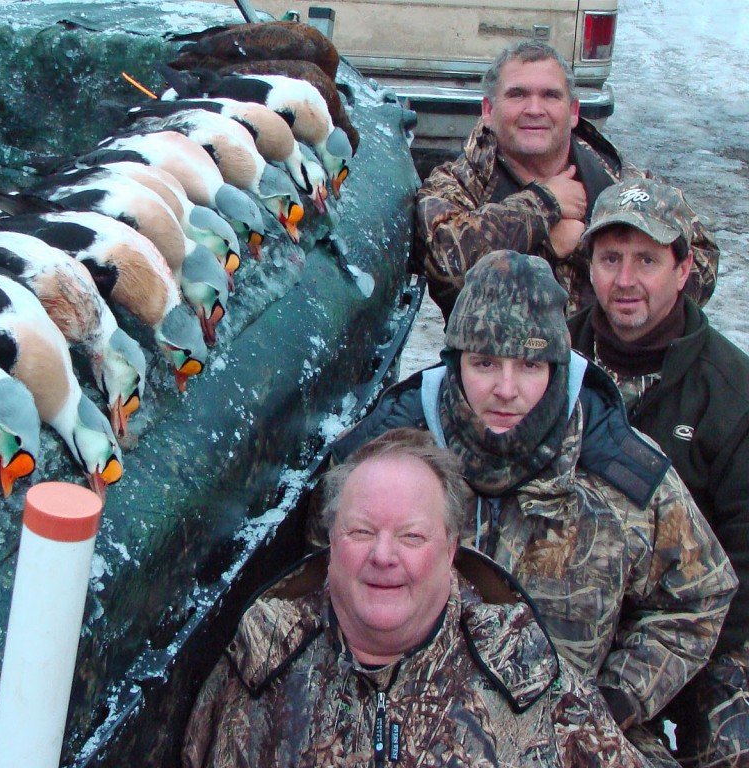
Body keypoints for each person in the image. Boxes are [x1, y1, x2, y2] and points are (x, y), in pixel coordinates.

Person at [327, 250, 736, 763]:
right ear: (454, 362)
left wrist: (611, 700)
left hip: (568, 740)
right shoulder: (382, 460)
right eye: (484, 362)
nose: (505, 389)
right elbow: (320, 581)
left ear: (557, 368)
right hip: (406, 729)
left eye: (529, 365)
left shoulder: (620, 471)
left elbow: (701, 594)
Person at [183, 428, 655, 767]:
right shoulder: (263, 654)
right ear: (332, 541)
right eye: (361, 531)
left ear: (450, 549)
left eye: (411, 536)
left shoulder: (525, 676)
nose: (383, 556)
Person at [569, 177, 749, 767]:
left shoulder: (732, 391)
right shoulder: (545, 363)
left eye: (647, 259)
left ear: (684, 267)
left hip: (701, 631)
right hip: (568, 620)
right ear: (589, 266)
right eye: (610, 258)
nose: (625, 280)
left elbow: (744, 564)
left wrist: (655, 672)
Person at [414, 40, 719, 320]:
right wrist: (542, 206)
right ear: (489, 111)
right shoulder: (453, 185)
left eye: (550, 95)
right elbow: (446, 266)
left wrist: (588, 248)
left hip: (608, 373)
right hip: (498, 375)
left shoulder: (621, 182)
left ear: (573, 112)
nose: (534, 109)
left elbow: (702, 262)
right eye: (518, 94)